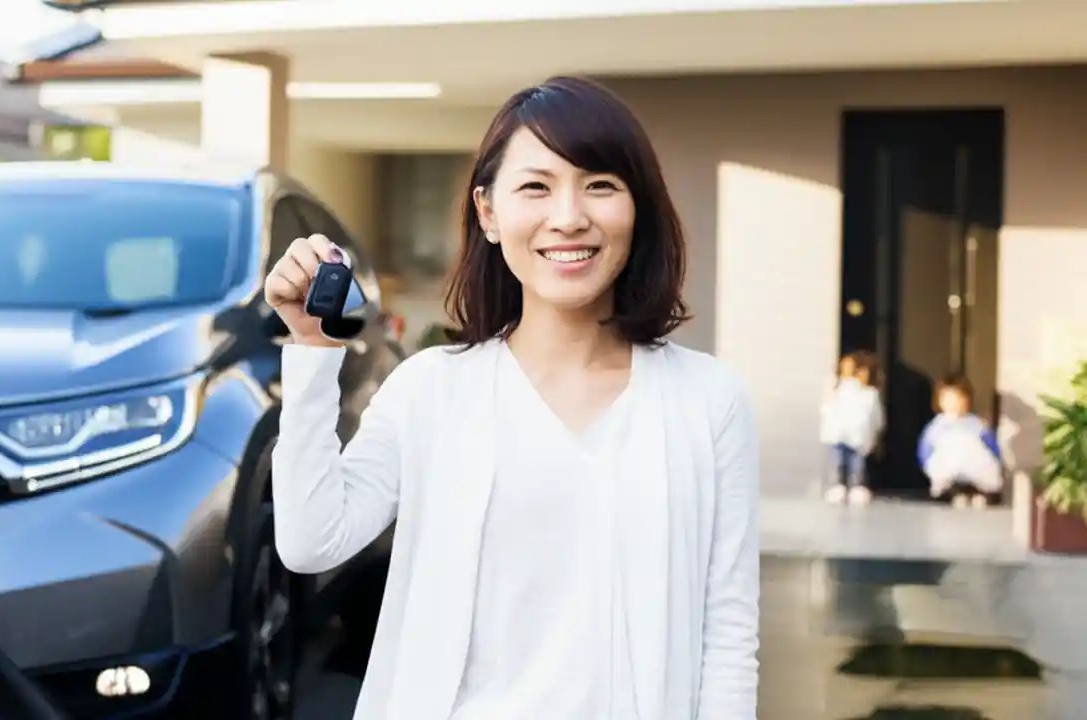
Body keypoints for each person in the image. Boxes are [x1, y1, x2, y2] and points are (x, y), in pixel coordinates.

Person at [265, 76, 759, 720]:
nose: (569, 215)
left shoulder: (708, 401)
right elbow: (311, 541)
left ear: (637, 210)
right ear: (489, 213)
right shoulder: (432, 388)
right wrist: (311, 349)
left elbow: (727, 634)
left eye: (601, 185)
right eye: (536, 186)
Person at [918, 373, 1003, 509]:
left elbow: (992, 446)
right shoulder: (937, 426)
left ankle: (980, 496)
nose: (953, 403)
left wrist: (995, 461)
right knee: (946, 487)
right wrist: (928, 466)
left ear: (967, 399)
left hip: (976, 472)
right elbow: (925, 449)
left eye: (957, 398)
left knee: (984, 485)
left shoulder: (977, 424)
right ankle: (954, 495)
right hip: (950, 473)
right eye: (947, 399)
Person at [818, 350, 884, 505]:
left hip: (858, 435)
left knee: (857, 463)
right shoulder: (836, 388)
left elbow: (874, 416)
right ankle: (839, 485)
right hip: (838, 434)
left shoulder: (868, 393)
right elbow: (827, 409)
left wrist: (874, 433)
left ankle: (857, 486)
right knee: (838, 462)